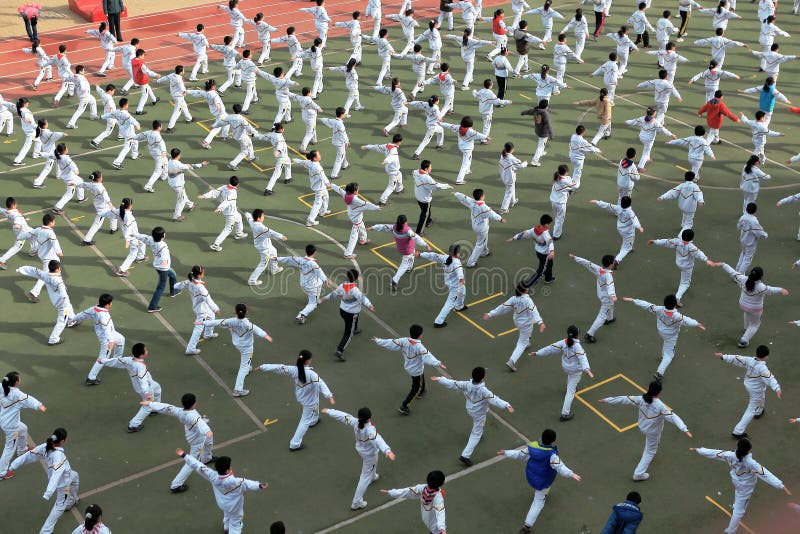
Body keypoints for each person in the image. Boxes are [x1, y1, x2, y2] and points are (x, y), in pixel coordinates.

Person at [691, 438, 790, 534]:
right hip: (746, 487)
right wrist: (781, 485)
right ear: (748, 450)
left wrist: (699, 450)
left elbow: (715, 453)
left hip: (737, 482)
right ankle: (730, 531)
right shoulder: (751, 463)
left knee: (738, 495)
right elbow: (765, 473)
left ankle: (736, 506)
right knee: (739, 511)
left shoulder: (730, 455)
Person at [600, 381, 691, 480]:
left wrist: (607, 400)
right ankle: (638, 474)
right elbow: (673, 417)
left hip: (642, 427)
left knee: (654, 443)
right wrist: (684, 429)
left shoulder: (641, 399)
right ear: (659, 393)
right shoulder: (660, 406)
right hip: (653, 432)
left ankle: (654, 447)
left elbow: (624, 399)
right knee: (650, 452)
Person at [499, 428, 581, 533]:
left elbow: (519, 454)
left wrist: (506, 452)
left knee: (544, 490)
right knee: (538, 502)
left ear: (542, 437)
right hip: (543, 481)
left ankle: (544, 495)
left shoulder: (532, 448)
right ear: (553, 441)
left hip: (531, 476)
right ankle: (527, 526)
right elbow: (560, 466)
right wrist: (571, 474)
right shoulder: (551, 455)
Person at [433, 367, 513, 466]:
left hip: (470, 409)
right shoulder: (484, 391)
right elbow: (495, 399)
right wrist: (507, 405)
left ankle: (480, 432)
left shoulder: (467, 384)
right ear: (483, 377)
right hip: (478, 414)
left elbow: (454, 383)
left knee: (481, 423)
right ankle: (465, 456)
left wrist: (440, 379)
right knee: (476, 433)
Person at [175, 449, 267, 534]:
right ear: (227, 470)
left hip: (222, 504)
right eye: (230, 465)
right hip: (234, 507)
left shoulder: (212, 475)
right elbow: (248, 484)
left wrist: (185, 455)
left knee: (227, 514)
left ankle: (226, 528)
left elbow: (198, 465)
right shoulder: (235, 482)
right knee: (236, 524)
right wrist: (259, 485)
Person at [257, 351, 334, 450]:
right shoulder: (311, 374)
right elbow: (321, 384)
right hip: (310, 401)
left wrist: (263, 367)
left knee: (315, 406)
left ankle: (314, 420)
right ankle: (295, 443)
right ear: (307, 361)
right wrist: (329, 395)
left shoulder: (294, 369)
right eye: (310, 358)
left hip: (302, 397)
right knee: (305, 421)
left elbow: (280, 367)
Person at [10, 428, 79, 534]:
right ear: (62, 441)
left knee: (75, 477)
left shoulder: (45, 446)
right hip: (63, 483)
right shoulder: (59, 456)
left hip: (68, 475)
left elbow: (29, 456)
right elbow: (56, 476)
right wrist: (48, 493)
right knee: (60, 507)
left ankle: (70, 502)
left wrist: (14, 465)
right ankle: (45, 531)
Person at [323, 407, 395, 509]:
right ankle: (356, 502)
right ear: (369, 418)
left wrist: (330, 411)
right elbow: (378, 439)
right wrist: (387, 451)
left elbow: (343, 416)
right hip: (369, 454)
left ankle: (373, 476)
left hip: (363, 450)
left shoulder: (355, 422)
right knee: (365, 476)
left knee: (373, 464)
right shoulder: (369, 429)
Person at [142, 393, 214, 493]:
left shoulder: (180, 411)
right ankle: (176, 485)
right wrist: (207, 431)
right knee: (192, 462)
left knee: (209, 442)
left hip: (195, 435)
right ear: (194, 404)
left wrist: (151, 404)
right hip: (197, 440)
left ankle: (206, 458)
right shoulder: (194, 416)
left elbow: (166, 408)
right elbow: (200, 423)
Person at [624, 295, 705, 381]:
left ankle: (663, 356)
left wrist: (633, 300)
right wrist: (697, 324)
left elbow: (647, 305)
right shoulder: (677, 316)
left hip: (661, 332)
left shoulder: (659, 309)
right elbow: (687, 321)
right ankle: (659, 373)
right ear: (674, 305)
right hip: (671, 336)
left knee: (666, 346)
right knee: (669, 355)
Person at [373, 324, 446, 415]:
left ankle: (422, 390)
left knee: (420, 379)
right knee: (415, 388)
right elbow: (428, 356)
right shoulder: (419, 346)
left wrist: (378, 340)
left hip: (409, 366)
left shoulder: (404, 340)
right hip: (416, 370)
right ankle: (404, 405)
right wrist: (438, 363)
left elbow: (390, 342)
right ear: (420, 335)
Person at [201, 303, 271, 397]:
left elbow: (217, 322)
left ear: (235, 312)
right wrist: (266, 336)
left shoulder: (230, 321)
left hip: (237, 345)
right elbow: (258, 330)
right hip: (247, 347)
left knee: (246, 361)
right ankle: (238, 389)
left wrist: (203, 323)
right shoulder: (248, 324)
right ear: (246, 312)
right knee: (243, 367)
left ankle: (247, 368)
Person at [714, 347, 780, 439]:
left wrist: (723, 357)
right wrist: (777, 388)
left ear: (756, 353)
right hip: (756, 389)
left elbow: (737, 358)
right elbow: (770, 377)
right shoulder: (762, 368)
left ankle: (759, 411)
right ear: (766, 357)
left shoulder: (750, 360)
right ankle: (738, 431)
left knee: (761, 398)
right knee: (752, 408)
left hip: (750, 385)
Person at [716, 264, 787, 348]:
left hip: (742, 305)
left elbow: (732, 272)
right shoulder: (761, 286)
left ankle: (746, 329)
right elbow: (770, 290)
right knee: (754, 325)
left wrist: (723, 265)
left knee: (747, 313)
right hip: (755, 309)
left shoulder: (743, 279)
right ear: (761, 277)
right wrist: (781, 290)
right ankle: (744, 341)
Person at [530, 326, 594, 420]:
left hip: (566, 367)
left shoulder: (564, 342)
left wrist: (538, 353)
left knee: (573, 378)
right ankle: (565, 414)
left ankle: (574, 385)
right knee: (570, 392)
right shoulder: (577, 347)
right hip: (575, 370)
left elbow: (550, 348)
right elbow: (582, 358)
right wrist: (587, 370)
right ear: (577, 335)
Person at [98, 342, 161, 432]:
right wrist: (146, 393)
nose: (147, 351)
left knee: (158, 388)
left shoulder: (129, 360)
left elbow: (116, 361)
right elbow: (142, 380)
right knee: (147, 406)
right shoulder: (140, 367)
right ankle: (134, 425)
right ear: (142, 355)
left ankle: (156, 407)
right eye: (146, 350)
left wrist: (103, 361)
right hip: (146, 387)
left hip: (147, 384)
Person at [648, 229, 715, 306]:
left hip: (679, 263)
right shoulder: (691, 247)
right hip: (687, 267)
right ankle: (677, 298)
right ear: (691, 238)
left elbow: (666, 242)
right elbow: (699, 253)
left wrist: (655, 241)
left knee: (684, 279)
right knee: (685, 283)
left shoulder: (677, 241)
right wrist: (707, 260)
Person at [320, 268, 374, 360]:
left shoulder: (342, 286)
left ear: (346, 277)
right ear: (356, 279)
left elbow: (333, 294)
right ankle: (340, 350)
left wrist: (324, 298)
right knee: (348, 334)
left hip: (342, 310)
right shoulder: (355, 290)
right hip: (351, 313)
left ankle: (355, 328)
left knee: (354, 319)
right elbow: (362, 298)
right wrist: (370, 305)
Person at [17, 260, 74, 346]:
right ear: (58, 269)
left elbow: (34, 270)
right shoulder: (59, 282)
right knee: (62, 320)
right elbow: (64, 295)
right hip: (62, 304)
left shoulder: (45, 274)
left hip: (55, 301)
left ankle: (72, 320)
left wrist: (21, 269)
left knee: (69, 307)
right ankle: (53, 339)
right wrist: (65, 303)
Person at [0, 372, 45, 479]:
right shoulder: (16, 395)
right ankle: (1, 472)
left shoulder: (2, 387)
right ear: (16, 382)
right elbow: (28, 399)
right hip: (12, 427)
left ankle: (22, 450)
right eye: (19, 378)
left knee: (24, 428)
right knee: (9, 448)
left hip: (5, 421)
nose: (20, 379)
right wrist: (40, 406)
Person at [369, 215, 430, 293]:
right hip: (408, 251)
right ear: (405, 222)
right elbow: (417, 238)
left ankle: (409, 268)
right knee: (403, 266)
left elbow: (384, 227)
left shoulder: (394, 227)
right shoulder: (408, 231)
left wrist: (373, 227)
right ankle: (394, 280)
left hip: (402, 248)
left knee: (411, 259)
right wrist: (426, 245)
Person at [173, 266, 220, 355]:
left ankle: (208, 334)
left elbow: (178, 285)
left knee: (211, 317)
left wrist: (175, 286)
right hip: (202, 310)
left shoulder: (189, 281)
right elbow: (208, 299)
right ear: (199, 274)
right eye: (203, 272)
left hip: (200, 307)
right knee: (198, 329)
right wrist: (216, 309)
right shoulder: (200, 287)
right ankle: (190, 349)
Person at [571, 253, 617, 343]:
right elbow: (610, 285)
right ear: (611, 264)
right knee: (602, 315)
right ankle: (589, 334)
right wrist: (613, 295)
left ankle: (610, 319)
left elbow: (587, 263)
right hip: (607, 298)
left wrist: (575, 258)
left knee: (610, 306)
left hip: (601, 294)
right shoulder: (608, 276)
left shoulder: (599, 269)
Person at [382, 471, 447, 533]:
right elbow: (440, 512)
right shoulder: (438, 497)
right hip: (435, 526)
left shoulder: (423, 488)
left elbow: (407, 491)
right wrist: (442, 528)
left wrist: (392, 492)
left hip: (427, 519)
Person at [454, 189, 505, 268]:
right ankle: (470, 263)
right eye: (483, 195)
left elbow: (464, 197)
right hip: (482, 228)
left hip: (475, 225)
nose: (484, 195)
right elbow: (492, 214)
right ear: (481, 197)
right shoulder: (483, 207)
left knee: (484, 239)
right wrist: (501, 219)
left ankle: (484, 252)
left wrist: (456, 193)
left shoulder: (472, 202)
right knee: (479, 245)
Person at [134, 226, 180, 312]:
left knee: (173, 275)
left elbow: (143, 237)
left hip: (158, 265)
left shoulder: (152, 240)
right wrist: (165, 268)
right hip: (163, 268)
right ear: (163, 236)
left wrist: (134, 234)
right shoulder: (163, 246)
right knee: (160, 287)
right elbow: (164, 260)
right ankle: (152, 306)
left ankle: (174, 291)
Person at [420, 244, 466, 327]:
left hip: (449, 282)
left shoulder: (445, 257)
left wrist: (420, 254)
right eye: (459, 251)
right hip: (455, 286)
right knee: (450, 303)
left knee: (463, 291)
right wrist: (458, 291)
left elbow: (433, 256)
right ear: (457, 253)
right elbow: (461, 279)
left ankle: (459, 306)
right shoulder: (457, 263)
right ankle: (438, 321)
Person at [197, 175, 247, 252]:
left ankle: (239, 233)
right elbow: (227, 202)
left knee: (239, 218)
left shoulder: (224, 187)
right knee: (227, 229)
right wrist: (220, 208)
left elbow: (215, 192)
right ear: (238, 184)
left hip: (233, 212)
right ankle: (216, 245)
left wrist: (204, 196)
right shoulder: (233, 192)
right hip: (231, 214)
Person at [510, 214, 556, 287]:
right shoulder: (545, 233)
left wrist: (514, 238)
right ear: (546, 224)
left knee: (550, 264)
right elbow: (550, 242)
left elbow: (524, 233)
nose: (550, 225)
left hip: (538, 252)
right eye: (549, 224)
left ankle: (548, 278)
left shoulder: (534, 229)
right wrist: (552, 251)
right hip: (545, 254)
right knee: (540, 271)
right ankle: (526, 285)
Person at [624, 106, 676, 171]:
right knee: (646, 152)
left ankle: (647, 159)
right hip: (648, 140)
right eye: (655, 112)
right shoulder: (655, 122)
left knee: (647, 148)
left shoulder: (642, 118)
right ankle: (640, 167)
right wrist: (671, 135)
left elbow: (634, 121)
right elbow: (663, 130)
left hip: (642, 137)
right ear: (653, 114)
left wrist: (627, 121)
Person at [244, 209, 286, 286]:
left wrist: (247, 214)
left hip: (267, 245)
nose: (264, 217)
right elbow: (271, 232)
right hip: (264, 249)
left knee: (274, 252)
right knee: (263, 264)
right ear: (258, 218)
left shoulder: (253, 222)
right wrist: (281, 236)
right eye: (262, 216)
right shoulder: (261, 227)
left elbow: (249, 218)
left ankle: (274, 269)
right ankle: (252, 280)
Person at [27, 214, 63, 304]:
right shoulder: (50, 233)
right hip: (49, 257)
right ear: (50, 223)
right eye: (54, 221)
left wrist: (21, 236)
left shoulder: (39, 229)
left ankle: (57, 284)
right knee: (46, 275)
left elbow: (29, 233)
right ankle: (34, 292)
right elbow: (55, 242)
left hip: (45, 256)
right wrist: (59, 251)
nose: (54, 222)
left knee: (56, 268)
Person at [76, 171, 118, 245]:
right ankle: (87, 240)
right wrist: (111, 205)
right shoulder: (101, 188)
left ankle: (113, 228)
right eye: (101, 176)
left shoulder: (91, 184)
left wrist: (75, 183)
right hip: (103, 208)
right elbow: (106, 197)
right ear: (99, 178)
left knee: (113, 214)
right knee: (97, 224)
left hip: (98, 204)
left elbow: (83, 184)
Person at [166, 148, 207, 222]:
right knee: (181, 200)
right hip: (178, 185)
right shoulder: (179, 165)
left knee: (183, 196)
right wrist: (202, 164)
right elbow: (192, 166)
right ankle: (177, 216)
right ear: (178, 155)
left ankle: (191, 205)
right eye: (180, 154)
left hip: (172, 183)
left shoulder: (170, 160)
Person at [291, 150, 331, 227]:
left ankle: (323, 211)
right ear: (315, 158)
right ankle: (310, 221)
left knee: (326, 197)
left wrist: (294, 159)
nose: (320, 156)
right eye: (318, 155)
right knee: (317, 204)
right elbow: (323, 176)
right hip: (320, 188)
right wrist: (328, 183)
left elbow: (301, 162)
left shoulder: (309, 162)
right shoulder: (317, 167)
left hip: (318, 186)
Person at [413, 159, 451, 233]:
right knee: (424, 214)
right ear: (426, 169)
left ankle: (428, 220)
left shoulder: (416, 172)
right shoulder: (426, 178)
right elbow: (436, 186)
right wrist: (447, 186)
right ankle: (419, 231)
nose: (431, 168)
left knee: (427, 210)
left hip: (418, 195)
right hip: (424, 198)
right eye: (430, 167)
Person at [0, 197, 36, 270]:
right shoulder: (16, 215)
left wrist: (24, 219)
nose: (17, 204)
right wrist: (17, 226)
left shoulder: (6, 211)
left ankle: (33, 250)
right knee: (17, 247)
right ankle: (1, 260)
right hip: (23, 232)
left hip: (25, 229)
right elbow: (17, 223)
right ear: (13, 205)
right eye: (16, 203)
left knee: (35, 235)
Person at [157, 65, 192, 134]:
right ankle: (170, 128)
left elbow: (165, 78)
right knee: (176, 112)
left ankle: (189, 118)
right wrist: (184, 92)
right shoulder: (179, 79)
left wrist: (158, 81)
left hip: (174, 95)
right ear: (181, 72)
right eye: (183, 70)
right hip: (179, 97)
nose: (184, 71)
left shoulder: (172, 75)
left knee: (184, 106)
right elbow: (182, 87)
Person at [116, 198, 147, 276]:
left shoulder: (120, 211)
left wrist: (101, 213)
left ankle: (140, 257)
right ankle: (122, 270)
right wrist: (128, 240)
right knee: (133, 253)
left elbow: (110, 212)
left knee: (142, 242)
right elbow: (128, 230)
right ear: (130, 206)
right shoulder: (129, 217)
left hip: (136, 235)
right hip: (133, 237)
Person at [734, 203, 767, 274]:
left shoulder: (743, 217)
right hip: (750, 243)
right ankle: (739, 276)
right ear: (755, 211)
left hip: (743, 240)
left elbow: (738, 227)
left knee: (743, 254)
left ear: (746, 209)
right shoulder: (754, 221)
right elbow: (759, 233)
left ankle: (736, 271)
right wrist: (765, 235)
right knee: (747, 259)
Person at [520, 99, 553, 167]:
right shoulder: (545, 113)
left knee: (542, 143)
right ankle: (534, 161)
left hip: (538, 130)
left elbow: (529, 112)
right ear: (546, 106)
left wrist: (523, 112)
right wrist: (551, 134)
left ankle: (541, 152)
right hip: (544, 132)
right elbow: (548, 124)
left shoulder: (536, 110)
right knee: (540, 146)